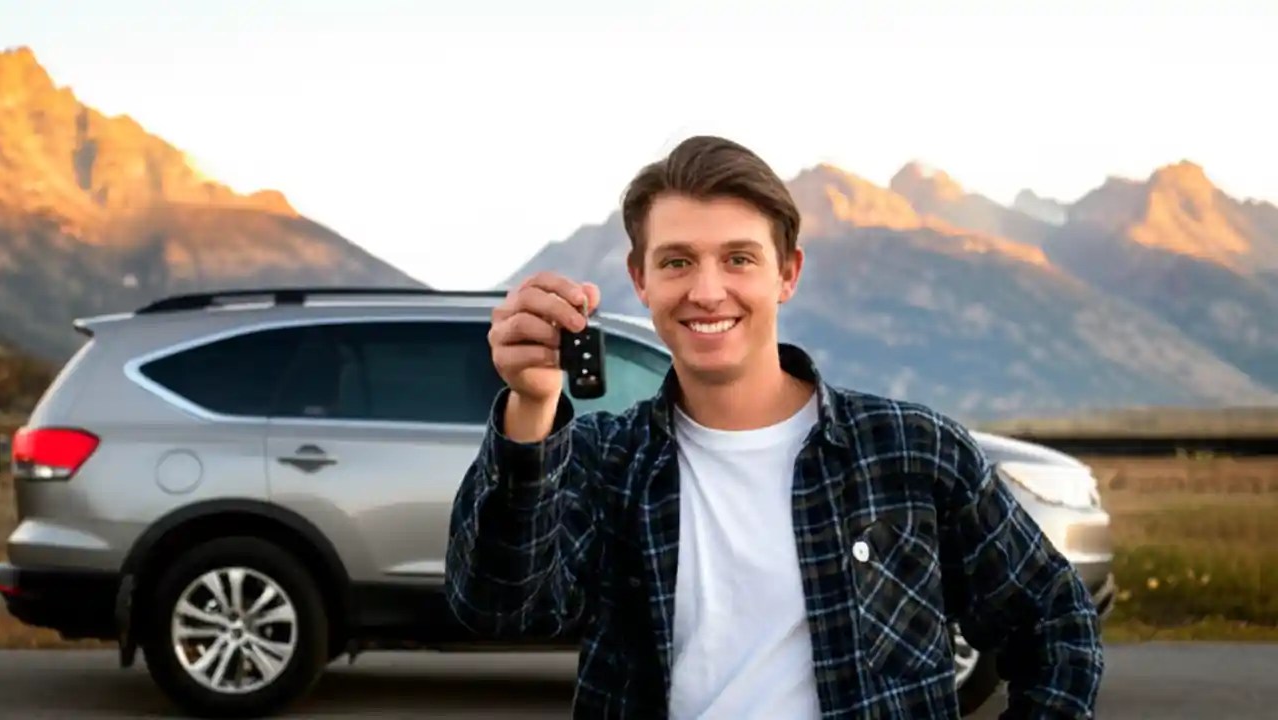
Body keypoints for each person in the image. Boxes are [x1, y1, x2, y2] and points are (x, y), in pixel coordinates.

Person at [445, 135, 1104, 719]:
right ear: (640, 280)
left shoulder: (911, 450)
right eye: (677, 261)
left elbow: (1055, 623)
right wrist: (530, 409)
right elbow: (501, 609)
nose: (706, 291)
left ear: (786, 273)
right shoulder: (603, 461)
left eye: (738, 259)